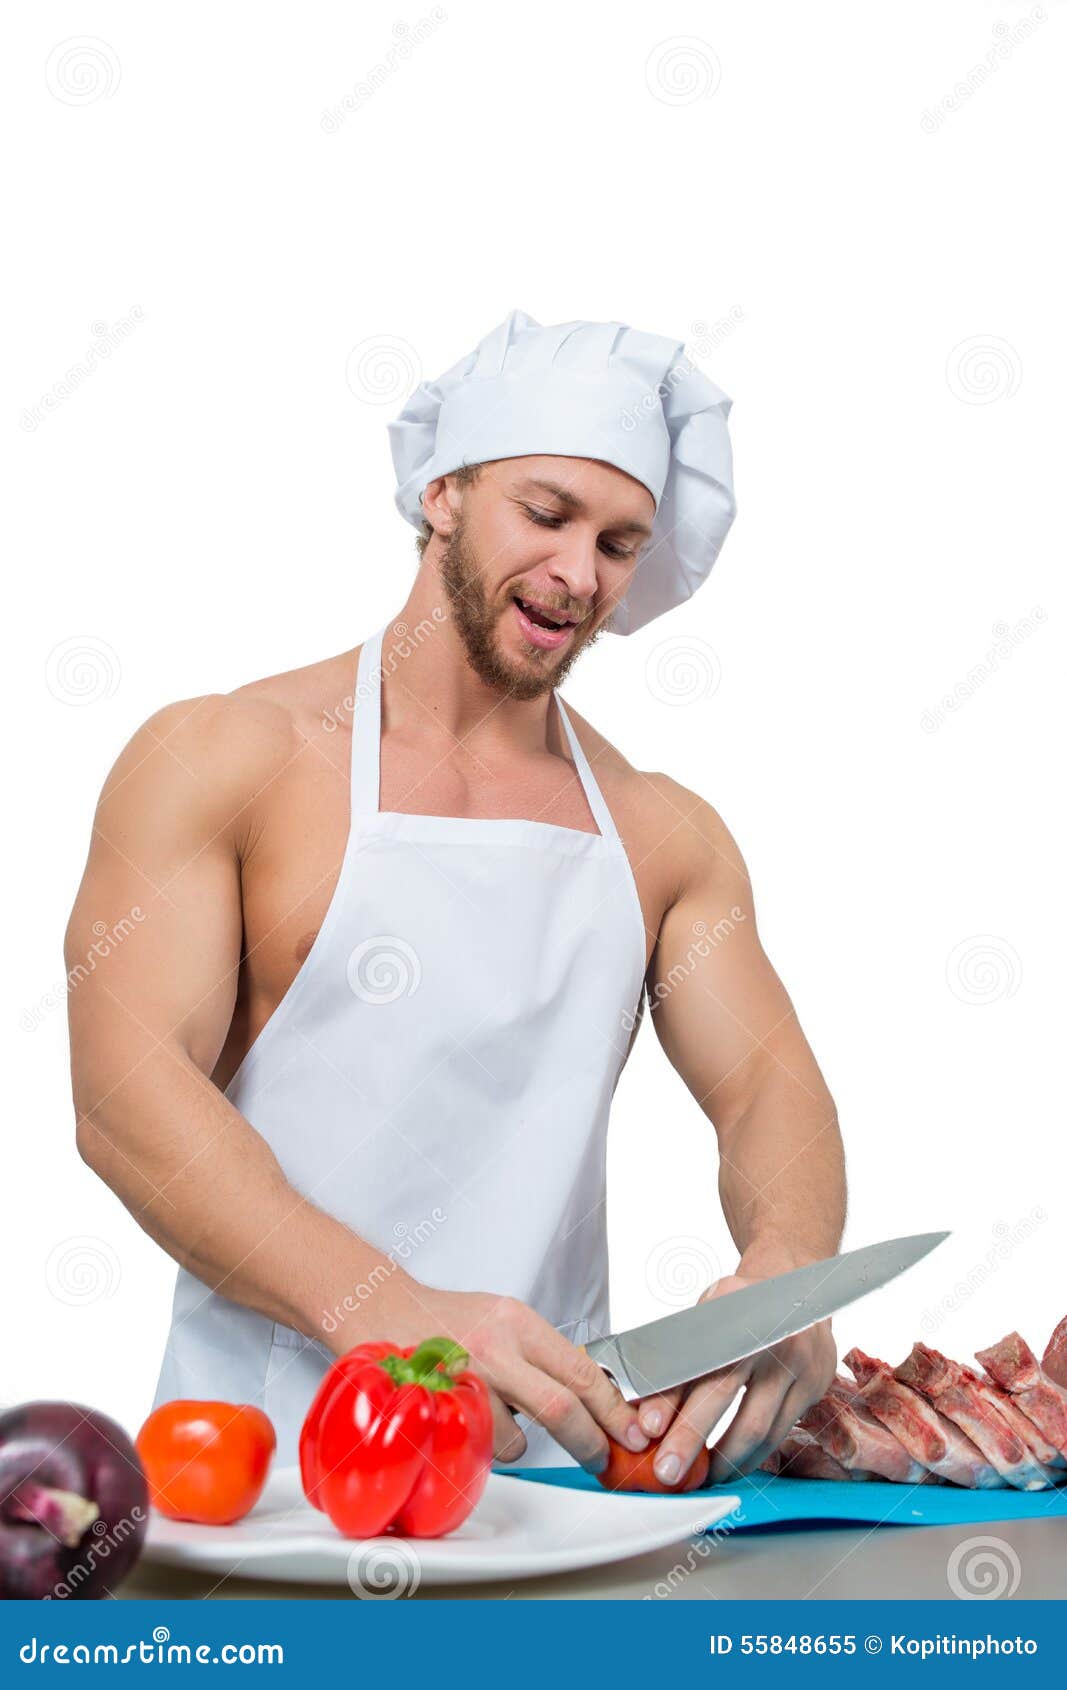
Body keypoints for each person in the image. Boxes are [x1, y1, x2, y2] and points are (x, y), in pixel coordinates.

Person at [66, 309, 845, 1487]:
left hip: (555, 1487)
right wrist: (389, 1309)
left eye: (622, 543)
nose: (581, 575)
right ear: (440, 491)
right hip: (258, 1487)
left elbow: (767, 1090)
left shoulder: (658, 832)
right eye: (546, 514)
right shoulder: (230, 759)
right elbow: (125, 1098)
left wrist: (786, 1267)